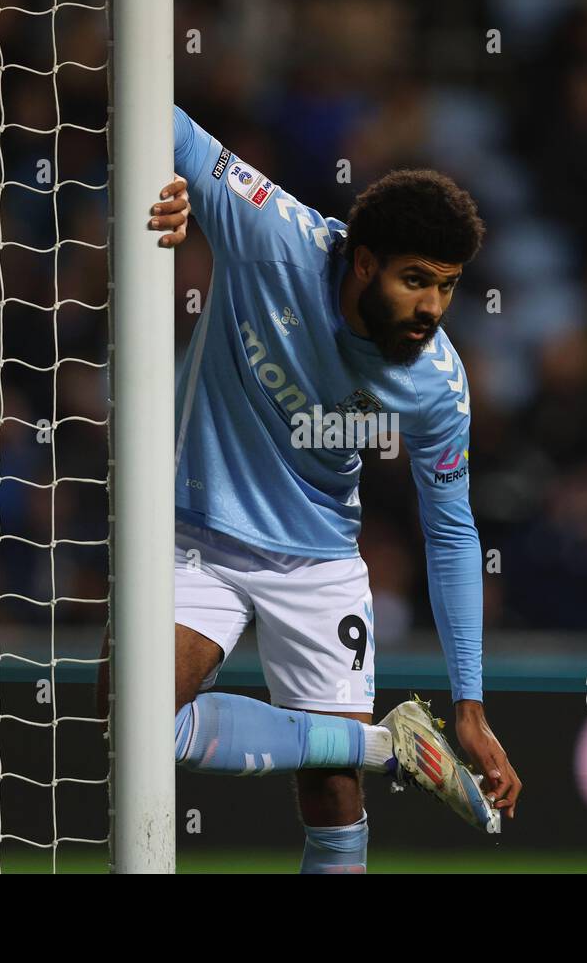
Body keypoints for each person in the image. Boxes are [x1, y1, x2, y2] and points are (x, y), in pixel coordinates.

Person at [117, 106, 521, 873]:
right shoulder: (273, 235)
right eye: (414, 281)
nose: (432, 308)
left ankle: (363, 752)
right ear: (364, 263)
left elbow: (453, 531)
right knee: (134, 723)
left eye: (447, 287)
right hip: (190, 536)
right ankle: (383, 745)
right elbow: (154, 115)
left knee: (332, 794)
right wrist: (150, 187)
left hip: (318, 562)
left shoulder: (437, 384)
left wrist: (468, 706)